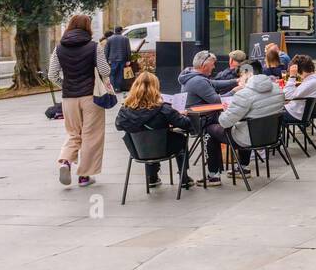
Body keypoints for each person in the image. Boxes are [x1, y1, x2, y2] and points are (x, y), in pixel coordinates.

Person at [48, 14, 113, 188]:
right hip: (91, 96)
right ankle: (84, 176)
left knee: (73, 133)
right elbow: (105, 70)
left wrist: (65, 85)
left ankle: (65, 162)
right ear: (88, 27)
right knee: (91, 136)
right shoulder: (94, 46)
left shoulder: (59, 47)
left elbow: (52, 74)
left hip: (69, 98)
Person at [116, 71, 193, 188]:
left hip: (138, 150)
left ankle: (151, 177)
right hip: (163, 148)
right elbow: (185, 124)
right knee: (181, 139)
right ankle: (184, 177)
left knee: (147, 138)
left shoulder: (125, 110)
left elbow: (118, 125)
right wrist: (180, 114)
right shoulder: (163, 109)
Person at [177, 51, 228, 184]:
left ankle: (214, 174)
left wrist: (236, 81)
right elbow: (216, 100)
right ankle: (215, 174)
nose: (214, 67)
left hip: (202, 118)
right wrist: (235, 92)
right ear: (204, 66)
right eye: (212, 64)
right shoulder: (198, 80)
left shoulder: (193, 76)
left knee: (214, 132)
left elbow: (214, 84)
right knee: (213, 133)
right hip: (199, 121)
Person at [218, 70, 284, 161]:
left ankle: (214, 173)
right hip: (272, 136)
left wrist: (222, 113)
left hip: (249, 139)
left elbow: (225, 122)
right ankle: (243, 166)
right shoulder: (278, 90)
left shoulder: (243, 95)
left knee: (210, 130)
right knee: (244, 124)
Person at [283, 55, 316, 123]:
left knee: (269, 113)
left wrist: (292, 77)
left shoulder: (311, 82)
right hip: (299, 112)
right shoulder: (314, 79)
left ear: (299, 70)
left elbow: (287, 96)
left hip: (296, 113)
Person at [104, 26, 132, 92]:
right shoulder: (125, 39)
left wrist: (106, 60)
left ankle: (112, 88)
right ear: (121, 31)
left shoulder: (109, 39)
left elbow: (106, 50)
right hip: (122, 59)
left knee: (112, 74)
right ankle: (118, 88)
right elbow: (128, 50)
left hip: (112, 59)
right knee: (120, 74)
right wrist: (128, 60)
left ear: (115, 31)